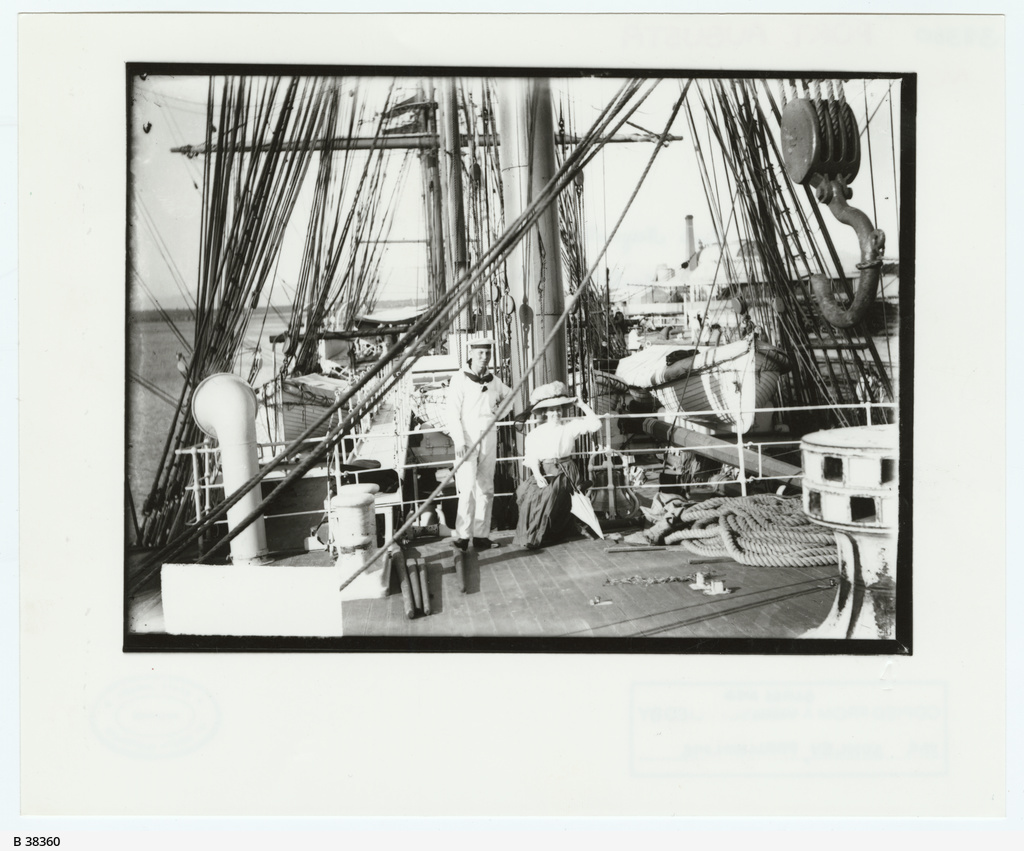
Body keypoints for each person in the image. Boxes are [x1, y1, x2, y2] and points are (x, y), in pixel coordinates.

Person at [513, 381, 602, 550]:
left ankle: (543, 535)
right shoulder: (535, 433)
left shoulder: (569, 428)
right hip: (545, 471)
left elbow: (596, 425)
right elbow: (532, 457)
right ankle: (534, 535)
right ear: (545, 413)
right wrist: (537, 475)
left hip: (567, 470)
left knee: (551, 494)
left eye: (559, 409)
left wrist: (581, 404)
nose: (556, 413)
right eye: (552, 410)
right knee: (528, 496)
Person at [444, 337, 511, 551]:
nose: (484, 357)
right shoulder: (460, 379)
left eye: (487, 353)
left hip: (489, 434)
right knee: (467, 488)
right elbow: (452, 413)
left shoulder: (494, 381)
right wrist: (459, 440)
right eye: (480, 353)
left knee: (486, 487)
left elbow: (510, 396)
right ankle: (463, 536)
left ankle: (482, 535)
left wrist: (499, 413)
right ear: (471, 354)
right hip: (468, 438)